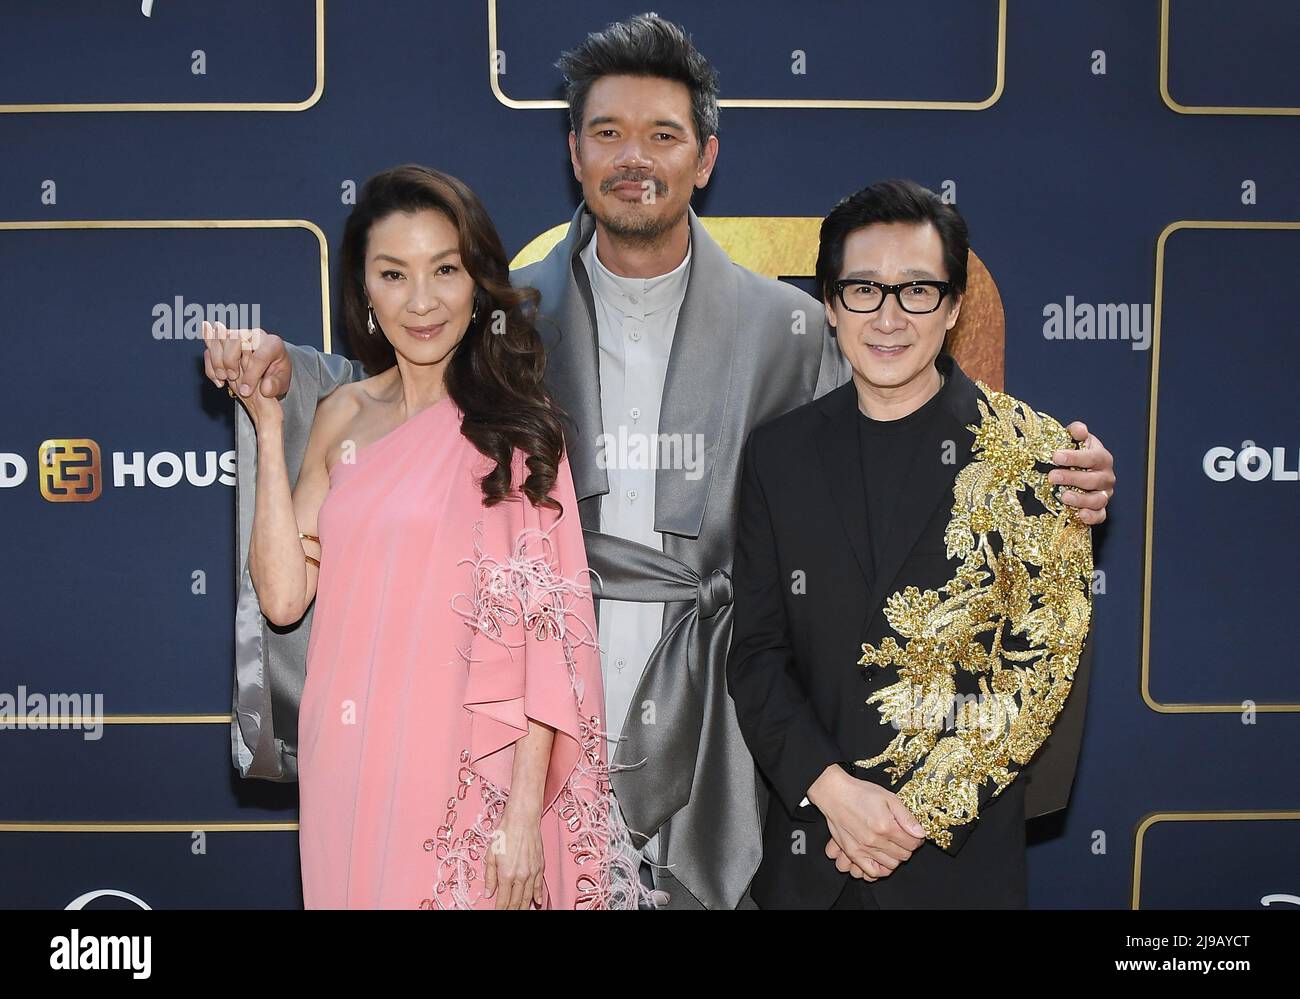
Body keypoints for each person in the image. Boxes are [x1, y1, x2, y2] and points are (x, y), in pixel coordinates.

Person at [202, 14, 1116, 910]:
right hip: (525, 707)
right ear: (574, 153)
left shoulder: (791, 328)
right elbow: (389, 404)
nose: (632, 157)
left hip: (725, 707)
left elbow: (905, 404)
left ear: (705, 159)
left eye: (663, 134)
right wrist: (277, 370)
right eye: (608, 132)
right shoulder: (502, 323)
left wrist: (1046, 470)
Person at [201, 165, 641, 909]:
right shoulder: (339, 416)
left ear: (476, 280)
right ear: (365, 293)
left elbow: (549, 636)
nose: (423, 300)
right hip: (352, 752)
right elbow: (282, 597)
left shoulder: (519, 430)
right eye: (394, 274)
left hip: (470, 762)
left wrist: (523, 810)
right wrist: (268, 422)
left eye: (445, 268)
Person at [727, 179, 1095, 909]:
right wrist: (836, 796)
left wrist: (909, 817)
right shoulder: (778, 454)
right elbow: (757, 653)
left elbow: (1042, 664)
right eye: (863, 289)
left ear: (954, 305)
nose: (888, 316)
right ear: (830, 305)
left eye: (917, 290)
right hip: (810, 863)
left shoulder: (1036, 454)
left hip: (959, 868)